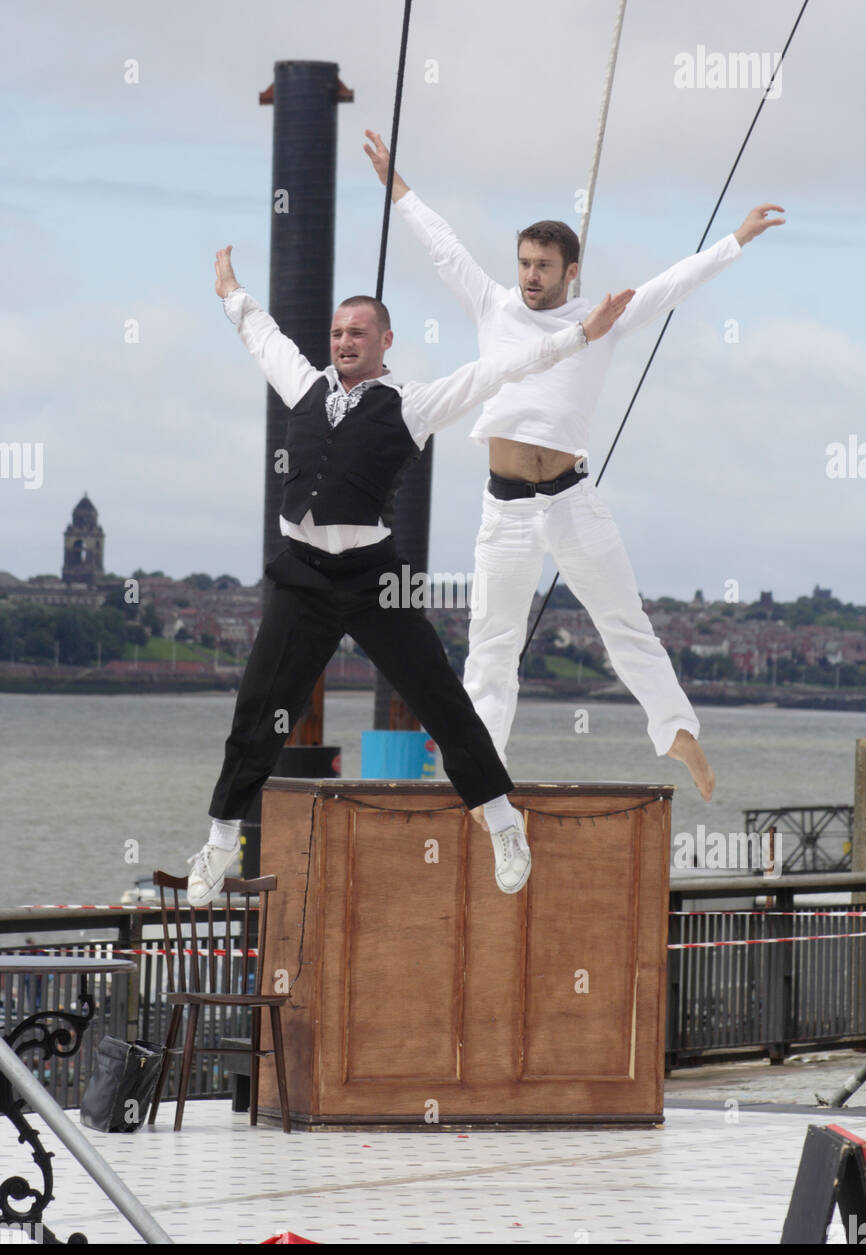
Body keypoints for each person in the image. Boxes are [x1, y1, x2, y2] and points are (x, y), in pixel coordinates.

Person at [185, 244, 634, 906]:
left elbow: (499, 369)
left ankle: (504, 824)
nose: (344, 341)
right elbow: (262, 334)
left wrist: (578, 335)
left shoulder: (413, 403)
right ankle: (221, 838)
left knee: (440, 699)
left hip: (372, 582)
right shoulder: (303, 385)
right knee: (260, 708)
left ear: (384, 340)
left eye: (357, 333)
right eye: (337, 332)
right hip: (301, 578)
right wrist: (230, 291)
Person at [364, 130, 785, 800]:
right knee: (493, 645)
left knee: (625, 622)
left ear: (570, 272)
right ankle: (482, 776)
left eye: (543, 265)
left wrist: (737, 238)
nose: (530, 275)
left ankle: (677, 733)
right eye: (525, 262)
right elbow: (444, 248)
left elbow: (675, 282)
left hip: (572, 500)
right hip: (504, 507)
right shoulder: (492, 305)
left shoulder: (602, 319)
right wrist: (398, 185)